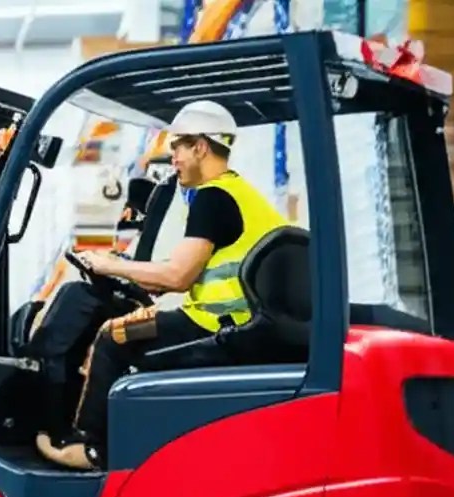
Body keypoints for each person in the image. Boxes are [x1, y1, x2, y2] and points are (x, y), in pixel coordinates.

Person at [36, 99, 292, 470]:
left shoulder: (212, 197)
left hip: (217, 327)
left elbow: (177, 275)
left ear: (200, 147)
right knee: (131, 329)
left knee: (112, 337)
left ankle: (94, 449)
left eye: (178, 148)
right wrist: (138, 275)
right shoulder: (240, 193)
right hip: (239, 324)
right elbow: (186, 271)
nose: (173, 158)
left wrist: (110, 265)